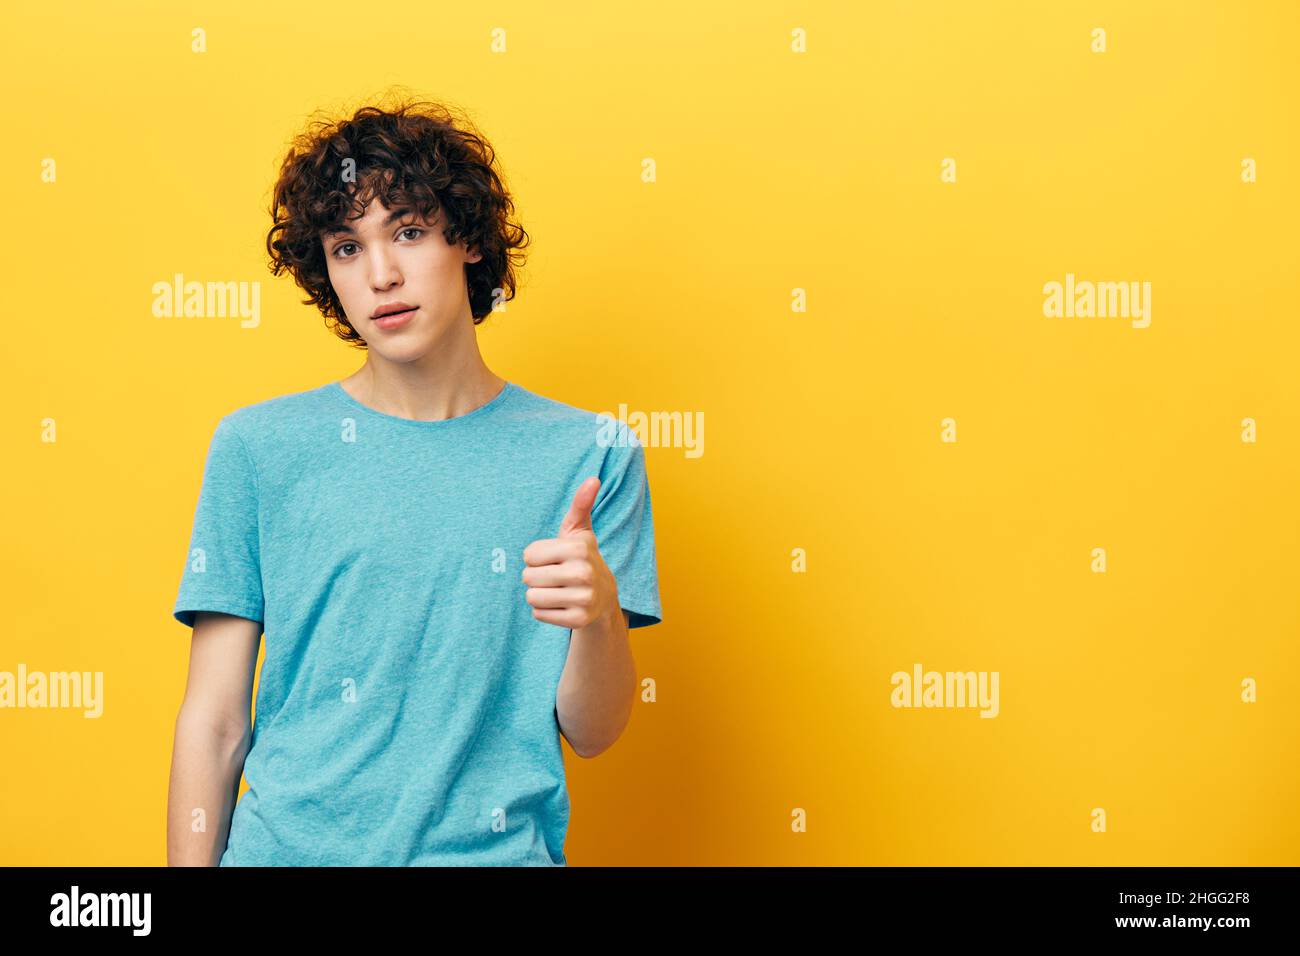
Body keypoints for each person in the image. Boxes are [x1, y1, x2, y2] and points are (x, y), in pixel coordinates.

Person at [165, 98, 663, 866]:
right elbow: (215, 721)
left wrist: (598, 615)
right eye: (346, 248)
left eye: (407, 231)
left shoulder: (591, 454)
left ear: (465, 239)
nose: (382, 276)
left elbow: (594, 733)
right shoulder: (258, 449)